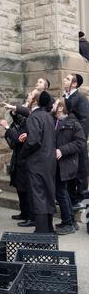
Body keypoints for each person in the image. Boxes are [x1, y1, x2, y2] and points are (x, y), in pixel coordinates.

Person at [20, 90, 56, 233]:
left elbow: (34, 141)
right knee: (48, 194)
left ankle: (41, 234)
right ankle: (48, 229)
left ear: (35, 101)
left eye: (30, 95)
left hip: (37, 163)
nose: (28, 97)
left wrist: (23, 154)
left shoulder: (34, 117)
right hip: (49, 162)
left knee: (39, 196)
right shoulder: (48, 116)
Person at [52, 99, 86, 235]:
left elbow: (80, 143)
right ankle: (71, 221)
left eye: (55, 104)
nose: (52, 106)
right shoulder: (55, 122)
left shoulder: (73, 124)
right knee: (62, 192)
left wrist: (62, 150)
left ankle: (68, 223)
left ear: (60, 108)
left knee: (61, 192)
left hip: (65, 164)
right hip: (57, 164)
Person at [0, 103, 34, 227]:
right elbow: (18, 121)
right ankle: (24, 213)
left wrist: (7, 127)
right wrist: (13, 112)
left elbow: (18, 138)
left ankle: (31, 216)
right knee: (20, 188)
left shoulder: (31, 120)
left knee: (25, 189)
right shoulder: (25, 119)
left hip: (25, 159)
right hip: (19, 158)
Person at [63, 73, 89, 208]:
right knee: (70, 170)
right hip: (66, 141)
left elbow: (85, 121)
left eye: (67, 79)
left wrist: (79, 140)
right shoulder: (64, 97)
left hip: (77, 141)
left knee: (81, 170)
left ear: (74, 84)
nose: (64, 80)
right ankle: (71, 197)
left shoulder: (81, 98)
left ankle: (82, 198)